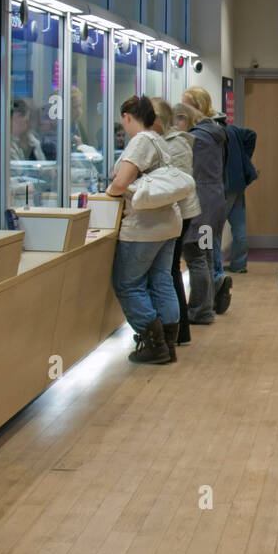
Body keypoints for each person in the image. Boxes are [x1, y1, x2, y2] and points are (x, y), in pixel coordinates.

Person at [105, 94, 183, 366]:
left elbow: (121, 182)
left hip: (144, 227)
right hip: (168, 223)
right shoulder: (159, 140)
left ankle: (153, 342)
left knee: (127, 283)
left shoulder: (140, 141)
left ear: (127, 117)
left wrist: (109, 191)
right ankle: (168, 343)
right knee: (161, 280)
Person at [151, 97, 201, 346]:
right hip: (178, 212)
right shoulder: (171, 141)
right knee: (170, 271)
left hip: (179, 212)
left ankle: (177, 330)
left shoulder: (174, 143)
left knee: (169, 271)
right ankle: (178, 330)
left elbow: (171, 183)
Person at [180, 89, 229, 322]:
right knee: (206, 254)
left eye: (185, 105)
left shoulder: (196, 138)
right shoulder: (216, 132)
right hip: (214, 201)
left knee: (196, 255)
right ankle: (205, 307)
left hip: (200, 204)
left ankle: (200, 310)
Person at [220, 120, 257, 274]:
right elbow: (251, 135)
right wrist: (245, 158)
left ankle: (211, 266)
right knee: (239, 226)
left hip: (222, 185)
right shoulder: (232, 129)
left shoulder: (210, 134)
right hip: (238, 182)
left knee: (211, 228)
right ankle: (239, 264)